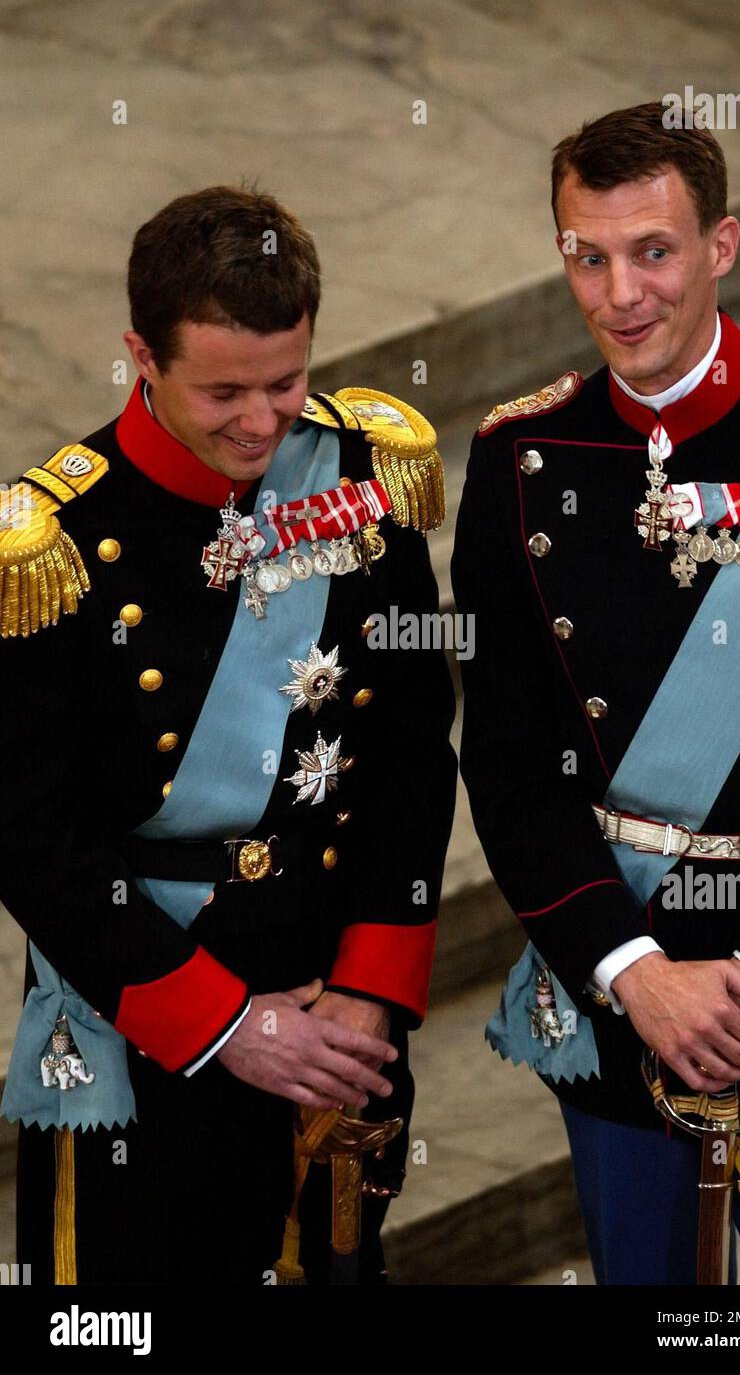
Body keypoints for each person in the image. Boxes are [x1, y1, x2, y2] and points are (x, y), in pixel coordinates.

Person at [0, 184, 457, 1285]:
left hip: (327, 981)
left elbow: (406, 752)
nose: (262, 424)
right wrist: (222, 1025)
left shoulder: (359, 482)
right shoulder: (54, 545)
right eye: (223, 393)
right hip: (142, 1000)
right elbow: (30, 837)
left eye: (286, 384)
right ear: (139, 356)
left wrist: (368, 989)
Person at [452, 102, 740, 1285]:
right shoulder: (522, 460)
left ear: (720, 247)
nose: (618, 293)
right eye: (586, 254)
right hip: (627, 991)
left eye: (652, 251)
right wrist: (630, 970)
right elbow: (510, 762)